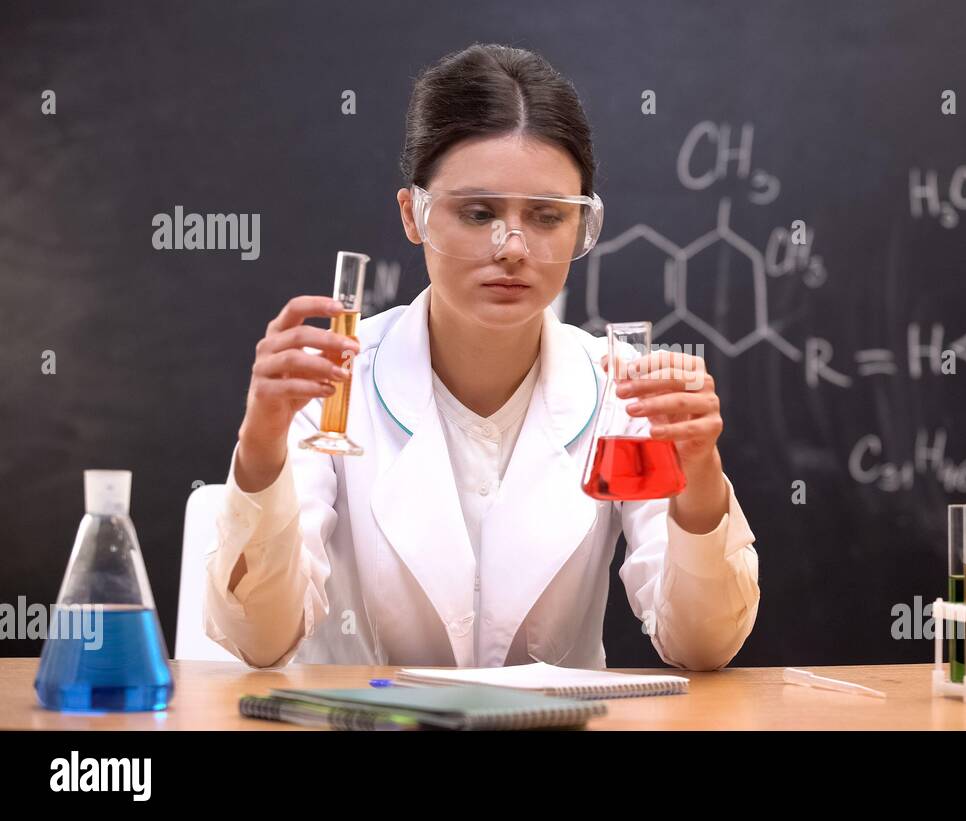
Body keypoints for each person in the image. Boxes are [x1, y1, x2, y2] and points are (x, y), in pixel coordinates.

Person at [203, 43, 760, 670]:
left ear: (582, 226)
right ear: (413, 215)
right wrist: (260, 446)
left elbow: (702, 646)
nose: (513, 247)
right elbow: (260, 639)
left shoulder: (622, 393)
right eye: (477, 213)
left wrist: (701, 471)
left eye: (547, 215)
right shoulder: (333, 385)